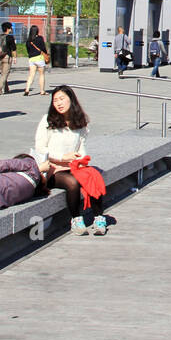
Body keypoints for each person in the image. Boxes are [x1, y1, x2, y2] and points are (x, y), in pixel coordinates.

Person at [34, 85, 102, 235]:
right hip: (51, 168)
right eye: (55, 100)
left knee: (94, 176)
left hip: (73, 166)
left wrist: (81, 158)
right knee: (73, 182)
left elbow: (81, 147)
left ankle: (98, 217)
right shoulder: (47, 120)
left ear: (71, 100)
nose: (58, 103)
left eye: (62, 99)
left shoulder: (80, 121)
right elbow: (40, 148)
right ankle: (76, 219)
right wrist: (62, 157)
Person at [24, 25, 48, 96]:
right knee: (41, 75)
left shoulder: (28, 40)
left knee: (31, 75)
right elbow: (43, 48)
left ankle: (27, 89)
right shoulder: (40, 38)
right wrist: (46, 54)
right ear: (37, 31)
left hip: (31, 59)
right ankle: (42, 91)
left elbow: (28, 50)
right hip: (39, 58)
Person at [0, 22, 17, 94]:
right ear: (8, 29)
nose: (11, 29)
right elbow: (13, 48)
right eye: (11, 27)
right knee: (5, 74)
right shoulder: (10, 37)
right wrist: (15, 57)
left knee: (3, 73)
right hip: (7, 56)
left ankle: (6, 88)